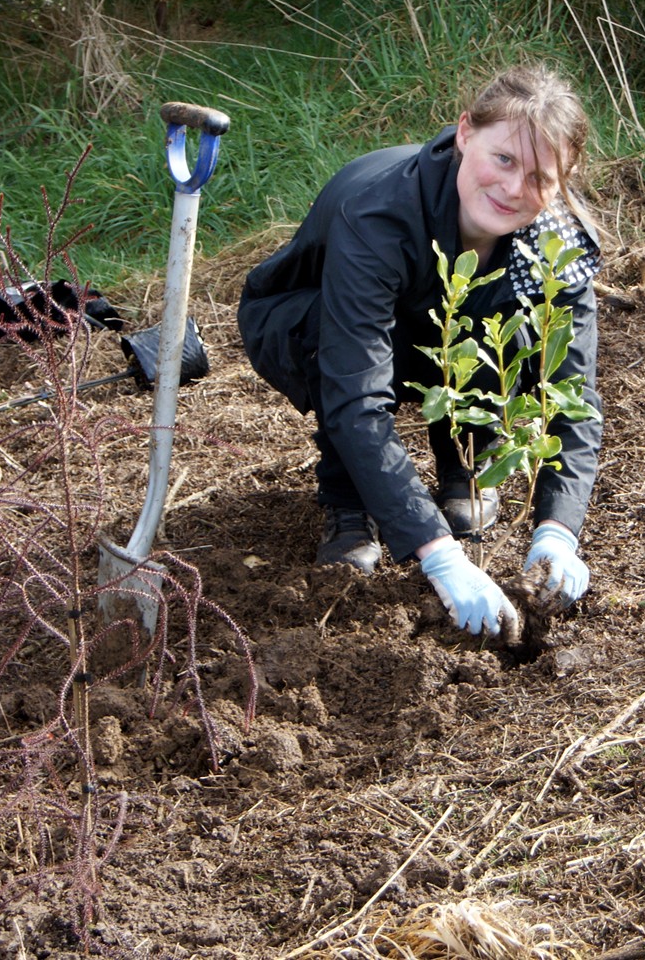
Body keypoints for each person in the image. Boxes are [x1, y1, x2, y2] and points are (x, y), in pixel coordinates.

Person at [237, 64, 603, 639]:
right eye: (503, 159)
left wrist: (558, 530)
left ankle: (463, 463)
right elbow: (356, 392)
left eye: (539, 176)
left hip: (435, 324)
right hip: (304, 321)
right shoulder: (378, 215)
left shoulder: (560, 244)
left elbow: (572, 390)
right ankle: (348, 496)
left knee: (508, 326)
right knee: (335, 342)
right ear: (464, 133)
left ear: (563, 181)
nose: (514, 188)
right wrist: (438, 553)